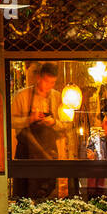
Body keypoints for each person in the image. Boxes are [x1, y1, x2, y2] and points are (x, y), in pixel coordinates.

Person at [10, 62, 68, 198]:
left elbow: (66, 125)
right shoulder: (22, 96)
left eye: (52, 82)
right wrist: (29, 119)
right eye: (46, 81)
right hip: (26, 153)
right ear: (39, 78)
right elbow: (10, 122)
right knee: (24, 194)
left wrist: (53, 122)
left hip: (48, 154)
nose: (49, 86)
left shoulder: (57, 97)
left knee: (47, 194)